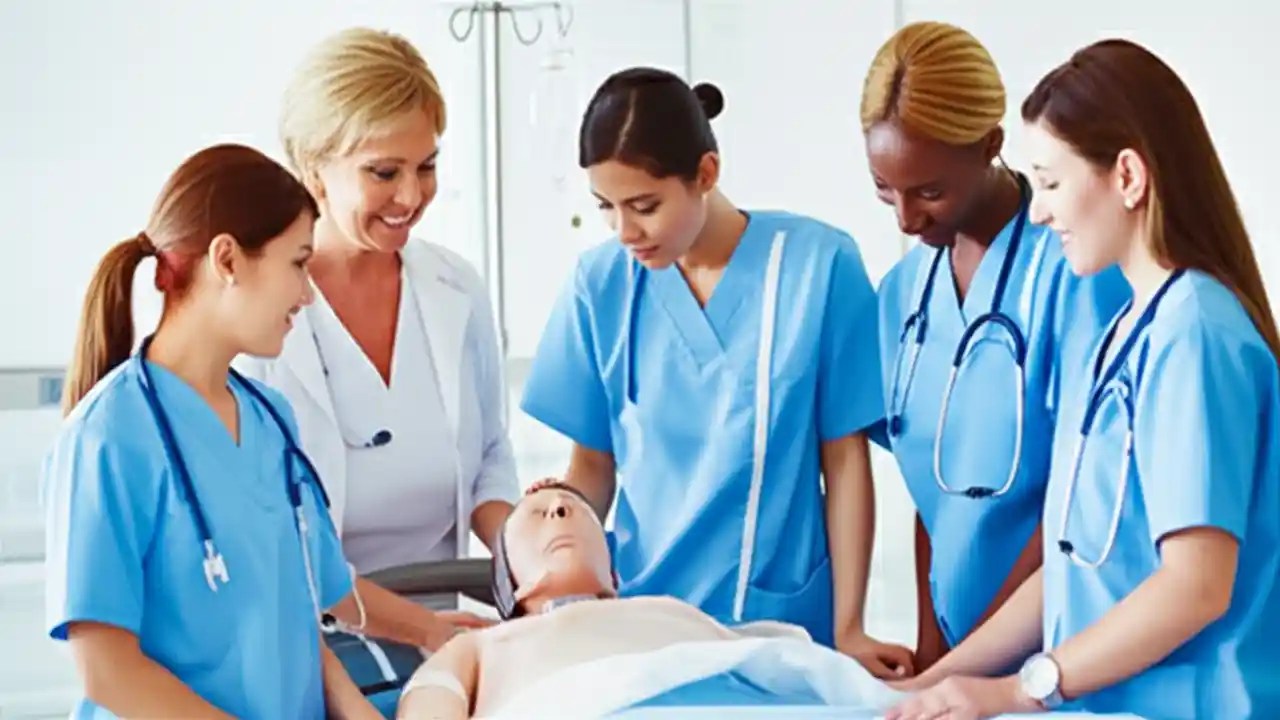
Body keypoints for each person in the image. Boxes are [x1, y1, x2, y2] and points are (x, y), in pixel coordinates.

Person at [887, 39, 1280, 720]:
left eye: (1050, 183)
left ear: (1127, 176)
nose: (1038, 212)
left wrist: (1022, 689)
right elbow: (1070, 569)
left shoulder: (1196, 333)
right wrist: (939, 681)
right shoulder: (1121, 333)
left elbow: (1195, 587)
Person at [519, 67, 911, 676]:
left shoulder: (817, 265)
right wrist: (555, 527)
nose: (625, 231)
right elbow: (593, 468)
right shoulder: (600, 285)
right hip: (640, 627)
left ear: (705, 174)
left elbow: (845, 462)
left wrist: (850, 629)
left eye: (644, 206)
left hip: (782, 624)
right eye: (606, 208)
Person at [42, 143, 379, 719]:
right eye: (298, 264)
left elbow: (296, 624)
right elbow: (107, 671)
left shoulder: (272, 420)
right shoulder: (106, 438)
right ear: (227, 260)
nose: (307, 294)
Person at [234, 26, 519, 700]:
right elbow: (265, 542)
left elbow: (488, 456)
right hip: (308, 652)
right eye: (384, 172)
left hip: (441, 641)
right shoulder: (257, 316)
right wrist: (422, 629)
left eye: (427, 166)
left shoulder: (455, 288)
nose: (412, 196)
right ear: (313, 170)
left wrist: (534, 552)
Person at [860, 21, 1130, 671]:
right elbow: (937, 498)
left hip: (1061, 650)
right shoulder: (902, 296)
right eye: (885, 190)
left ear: (991, 144)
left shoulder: (1076, 273)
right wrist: (933, 662)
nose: (905, 219)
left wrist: (977, 662)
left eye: (929, 192)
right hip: (960, 661)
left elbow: (1083, 496)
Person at [396, 482, 905, 719]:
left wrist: (917, 690)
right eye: (536, 514)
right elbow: (429, 703)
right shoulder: (484, 646)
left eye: (572, 508)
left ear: (614, 576)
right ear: (512, 582)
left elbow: (788, 670)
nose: (558, 510)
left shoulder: (670, 612)